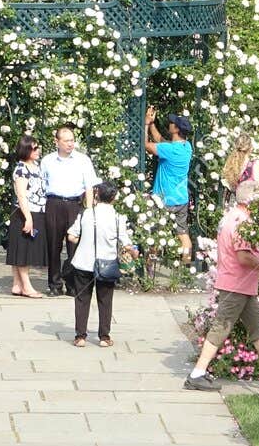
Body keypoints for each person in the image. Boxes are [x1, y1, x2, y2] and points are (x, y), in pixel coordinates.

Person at [184, 178, 259, 391]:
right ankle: (197, 373)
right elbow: (243, 257)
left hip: (240, 285)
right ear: (252, 200)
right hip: (236, 285)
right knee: (221, 327)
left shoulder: (231, 217)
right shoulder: (243, 223)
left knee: (258, 329)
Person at [65, 180, 134, 347]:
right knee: (105, 300)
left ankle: (80, 336)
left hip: (83, 262)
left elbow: (71, 236)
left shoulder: (86, 214)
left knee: (82, 299)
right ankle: (104, 337)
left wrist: (84, 240)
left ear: (97, 195)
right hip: (107, 263)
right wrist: (133, 252)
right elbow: (126, 243)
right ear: (114, 197)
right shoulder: (118, 218)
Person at [40, 125, 99, 297]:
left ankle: (73, 284)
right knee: (53, 245)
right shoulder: (47, 161)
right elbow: (41, 184)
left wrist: (89, 211)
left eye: (72, 140)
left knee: (75, 245)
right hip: (54, 203)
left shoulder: (83, 160)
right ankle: (54, 284)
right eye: (66, 141)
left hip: (75, 204)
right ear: (56, 142)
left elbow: (89, 187)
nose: (70, 144)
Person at [146, 107, 195, 265]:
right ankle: (186, 268)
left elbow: (146, 145)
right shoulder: (187, 147)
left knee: (155, 234)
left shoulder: (169, 149)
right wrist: (152, 124)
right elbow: (160, 140)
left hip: (164, 199)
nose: (170, 123)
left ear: (176, 129)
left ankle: (149, 269)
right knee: (183, 234)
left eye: (173, 123)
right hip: (181, 199)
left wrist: (145, 124)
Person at [4, 134, 47, 298]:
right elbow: (21, 195)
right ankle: (27, 286)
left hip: (38, 210)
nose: (37, 151)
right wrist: (28, 217)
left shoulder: (37, 167)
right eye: (34, 148)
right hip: (25, 212)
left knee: (23, 248)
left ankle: (17, 284)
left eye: (37, 147)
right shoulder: (21, 169)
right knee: (23, 250)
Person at [220, 132, 255, 201]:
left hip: (231, 201)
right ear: (250, 147)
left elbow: (225, 181)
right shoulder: (251, 165)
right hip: (246, 201)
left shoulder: (230, 163)